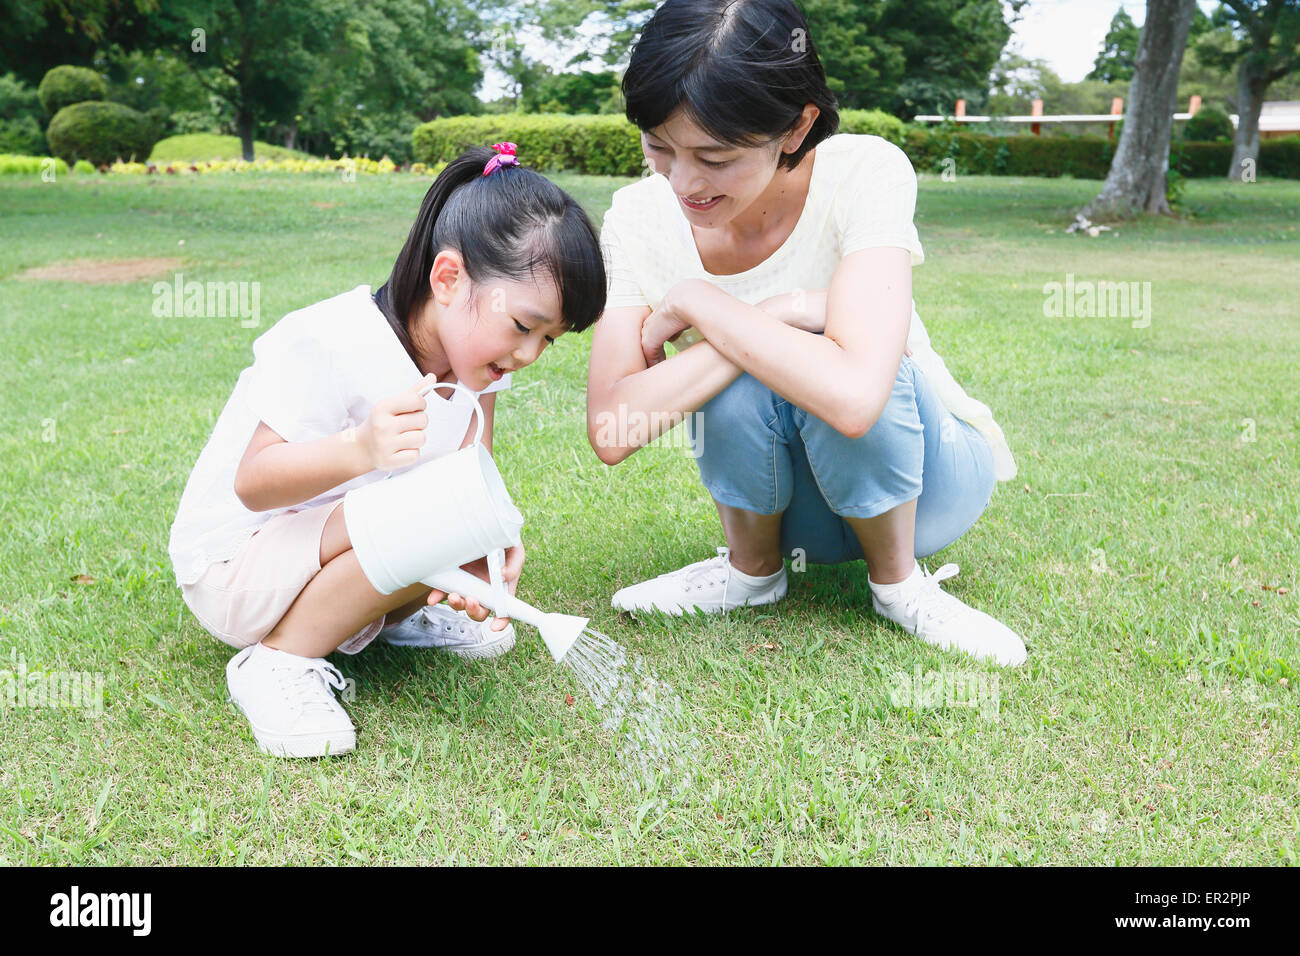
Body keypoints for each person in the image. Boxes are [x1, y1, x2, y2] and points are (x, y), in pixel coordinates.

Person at [586, 0, 1026, 666]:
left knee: (796, 357)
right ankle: (751, 574)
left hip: (928, 483)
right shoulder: (638, 218)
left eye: (715, 156)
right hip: (793, 512)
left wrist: (706, 305)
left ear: (796, 128)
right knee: (740, 370)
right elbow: (613, 426)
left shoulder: (863, 174)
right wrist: (772, 315)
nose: (682, 181)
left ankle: (902, 584)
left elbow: (854, 397)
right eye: (659, 148)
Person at [168, 143, 607, 757]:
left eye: (549, 341)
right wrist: (361, 448)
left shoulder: (480, 368)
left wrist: (485, 541)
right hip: (236, 572)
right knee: (423, 515)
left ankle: (391, 621)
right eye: (522, 326)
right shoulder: (330, 340)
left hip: (323, 553)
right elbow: (254, 482)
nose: (529, 355)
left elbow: (467, 475)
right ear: (448, 278)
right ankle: (276, 662)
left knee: (454, 513)